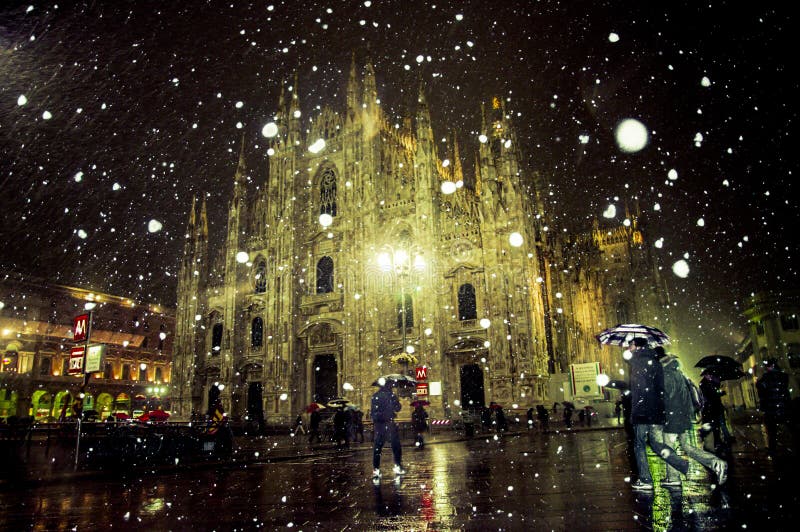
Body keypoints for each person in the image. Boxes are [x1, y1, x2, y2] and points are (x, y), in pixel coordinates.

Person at [627, 337, 689, 491]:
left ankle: (646, 480)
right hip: (655, 411)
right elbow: (659, 388)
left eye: (630, 345)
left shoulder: (637, 362)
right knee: (655, 443)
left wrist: (635, 406)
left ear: (637, 346)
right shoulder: (656, 362)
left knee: (639, 444)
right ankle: (680, 464)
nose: (629, 348)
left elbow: (639, 389)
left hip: (642, 412)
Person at [658, 350, 727, 487]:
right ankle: (715, 462)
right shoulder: (680, 375)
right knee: (687, 447)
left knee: (668, 448)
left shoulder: (666, 375)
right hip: (683, 417)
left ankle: (673, 478)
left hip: (672, 417)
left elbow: (667, 397)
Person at [371, 377, 404, 481]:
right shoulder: (391, 395)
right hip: (389, 424)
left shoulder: (375, 396)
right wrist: (396, 401)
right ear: (388, 385)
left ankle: (376, 469)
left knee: (377, 448)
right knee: (396, 447)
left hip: (379, 425)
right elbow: (398, 408)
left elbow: (373, 412)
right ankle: (397, 466)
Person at [756, 358, 792, 455]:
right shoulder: (783, 376)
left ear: (771, 366)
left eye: (767, 366)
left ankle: (772, 449)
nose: (766, 368)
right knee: (790, 427)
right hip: (783, 407)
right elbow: (785, 391)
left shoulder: (766, 378)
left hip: (771, 408)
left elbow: (761, 389)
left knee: (771, 431)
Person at [700, 372, 732, 452]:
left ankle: (718, 442)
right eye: (708, 375)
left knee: (717, 425)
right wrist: (719, 393)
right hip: (711, 408)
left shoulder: (710, 383)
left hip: (715, 407)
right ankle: (716, 443)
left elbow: (714, 393)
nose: (710, 376)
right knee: (715, 426)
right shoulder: (704, 384)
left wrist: (718, 388)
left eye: (710, 375)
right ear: (705, 375)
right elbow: (711, 395)